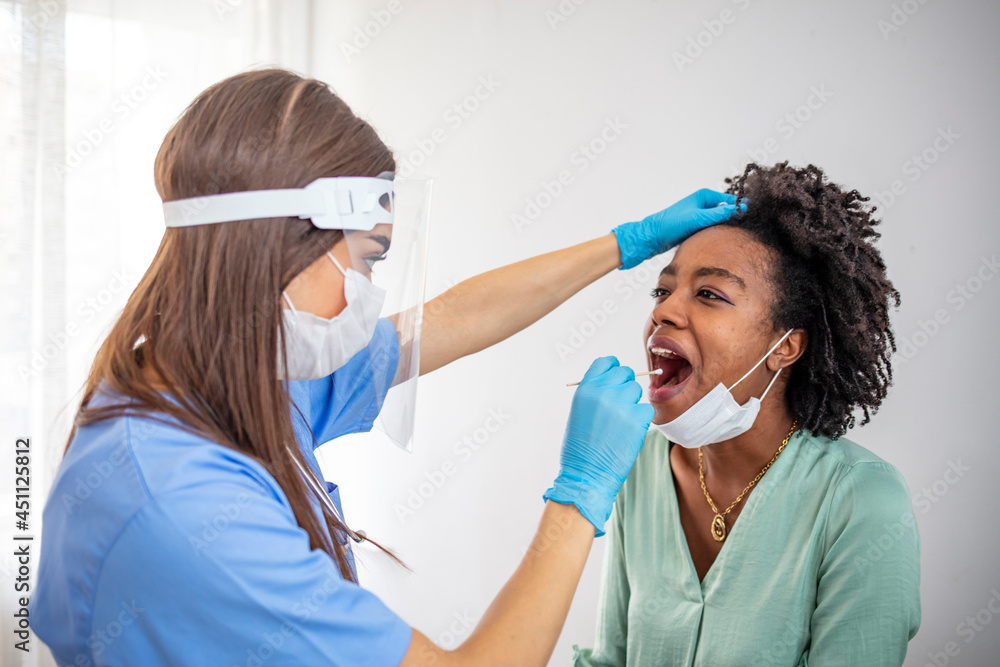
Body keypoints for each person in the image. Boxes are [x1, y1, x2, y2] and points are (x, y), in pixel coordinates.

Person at [29, 68, 742, 666]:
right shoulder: (186, 506)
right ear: (281, 243)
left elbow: (453, 319)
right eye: (367, 259)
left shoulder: (222, 378)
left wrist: (627, 243)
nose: (368, 296)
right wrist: (579, 495)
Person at [573, 162, 921, 667]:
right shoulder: (635, 465)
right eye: (662, 290)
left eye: (710, 294)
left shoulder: (862, 501)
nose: (664, 312)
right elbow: (612, 659)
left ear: (786, 346)